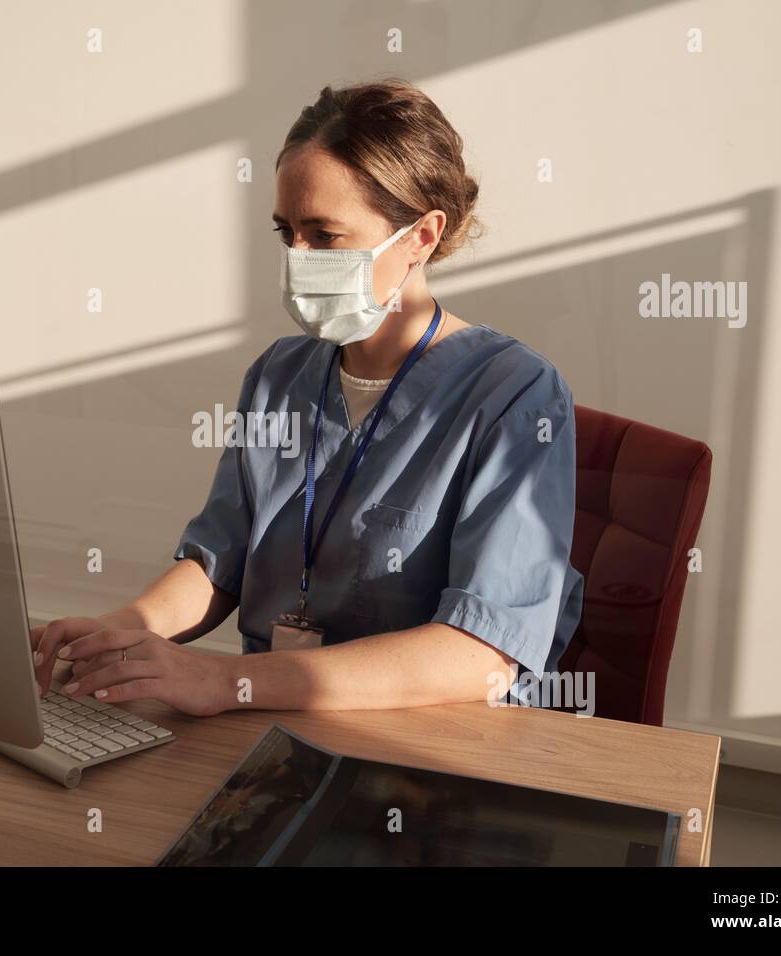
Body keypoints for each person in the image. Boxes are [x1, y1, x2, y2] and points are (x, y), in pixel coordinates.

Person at [33, 78, 583, 716]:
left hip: (422, 754)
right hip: (264, 726)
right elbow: (219, 562)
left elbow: (480, 654)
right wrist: (122, 631)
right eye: (286, 232)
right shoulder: (280, 375)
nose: (299, 256)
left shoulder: (515, 395)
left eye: (324, 236)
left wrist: (222, 683)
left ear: (421, 236)